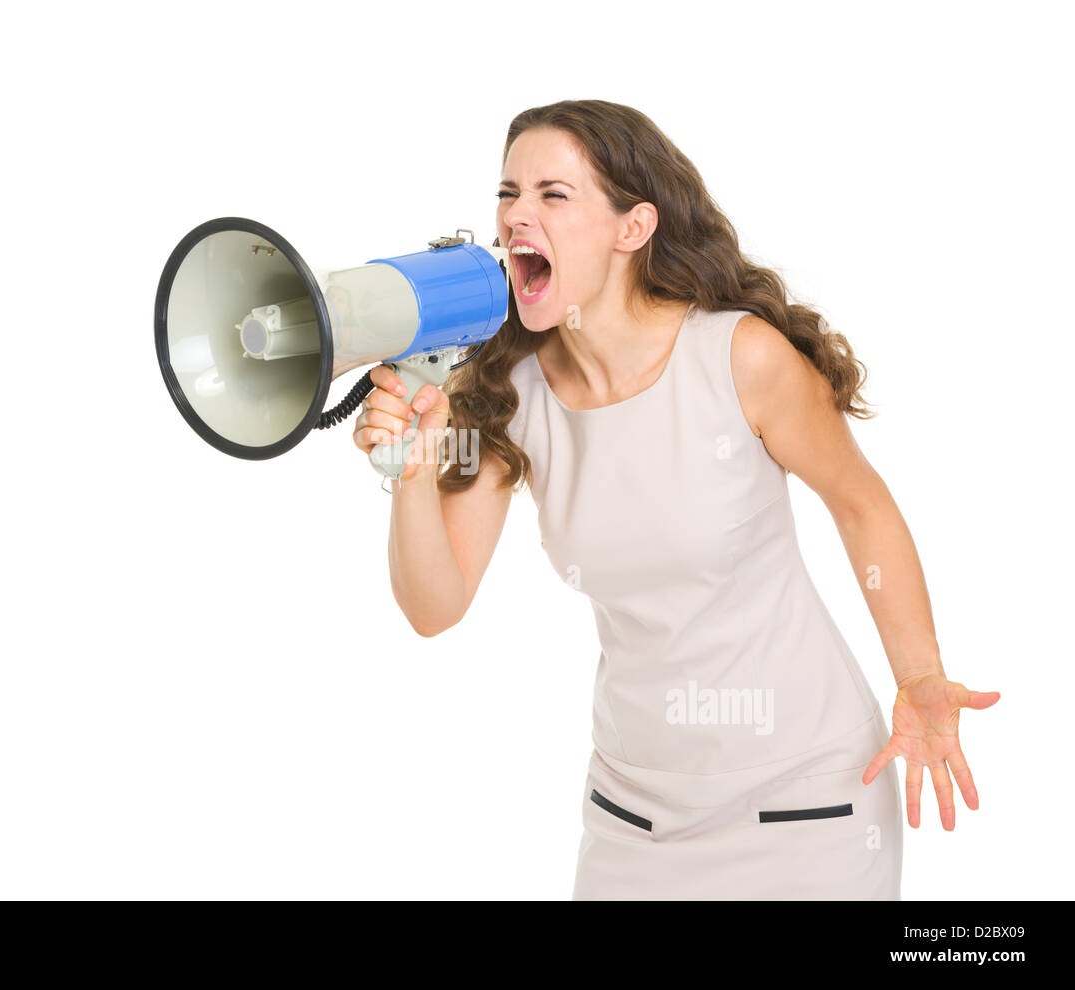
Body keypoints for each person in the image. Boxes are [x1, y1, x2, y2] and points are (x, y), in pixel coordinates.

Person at [352, 99, 999, 899]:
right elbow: (434, 605)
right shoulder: (509, 393)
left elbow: (861, 504)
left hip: (808, 804)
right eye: (508, 192)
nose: (518, 214)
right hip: (634, 816)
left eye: (554, 194)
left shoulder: (738, 358)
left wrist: (920, 673)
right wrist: (412, 471)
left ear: (634, 227)